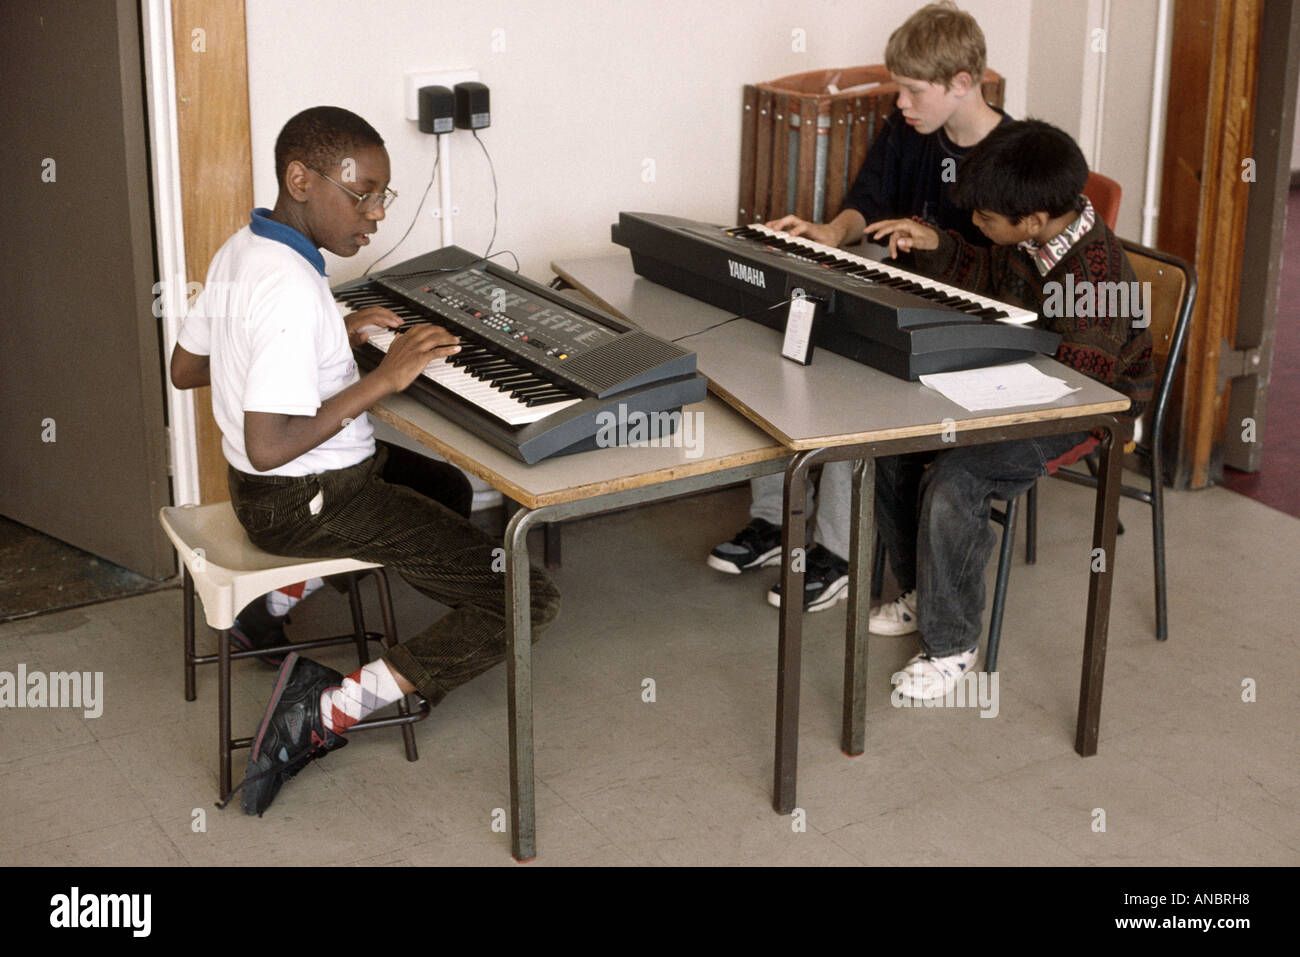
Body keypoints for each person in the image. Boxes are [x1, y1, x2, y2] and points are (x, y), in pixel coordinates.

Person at [169, 105, 560, 815]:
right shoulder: (288, 286)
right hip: (308, 497)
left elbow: (186, 365)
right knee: (525, 599)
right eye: (363, 194)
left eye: (385, 195)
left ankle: (273, 608)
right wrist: (383, 376)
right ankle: (328, 710)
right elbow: (269, 440)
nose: (376, 214)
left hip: (269, 492)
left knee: (442, 482)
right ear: (300, 179)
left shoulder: (246, 250)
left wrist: (331, 335)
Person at [708, 1, 1009, 615]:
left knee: (848, 393)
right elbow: (866, 204)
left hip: (968, 329)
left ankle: (837, 554)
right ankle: (774, 522)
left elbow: (1012, 277)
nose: (900, 102)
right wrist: (831, 231)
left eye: (911, 90)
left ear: (961, 83)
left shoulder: (1014, 158)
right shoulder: (912, 129)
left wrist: (937, 248)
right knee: (781, 356)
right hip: (901, 297)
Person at [862, 118, 1153, 698]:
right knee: (894, 448)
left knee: (955, 476)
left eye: (985, 219)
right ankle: (928, 586)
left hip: (1087, 407)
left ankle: (951, 644)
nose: (974, 223)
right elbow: (992, 273)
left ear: (1035, 221)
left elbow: (1077, 388)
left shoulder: (1096, 281)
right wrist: (938, 245)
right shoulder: (1029, 239)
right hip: (1016, 383)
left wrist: (977, 392)